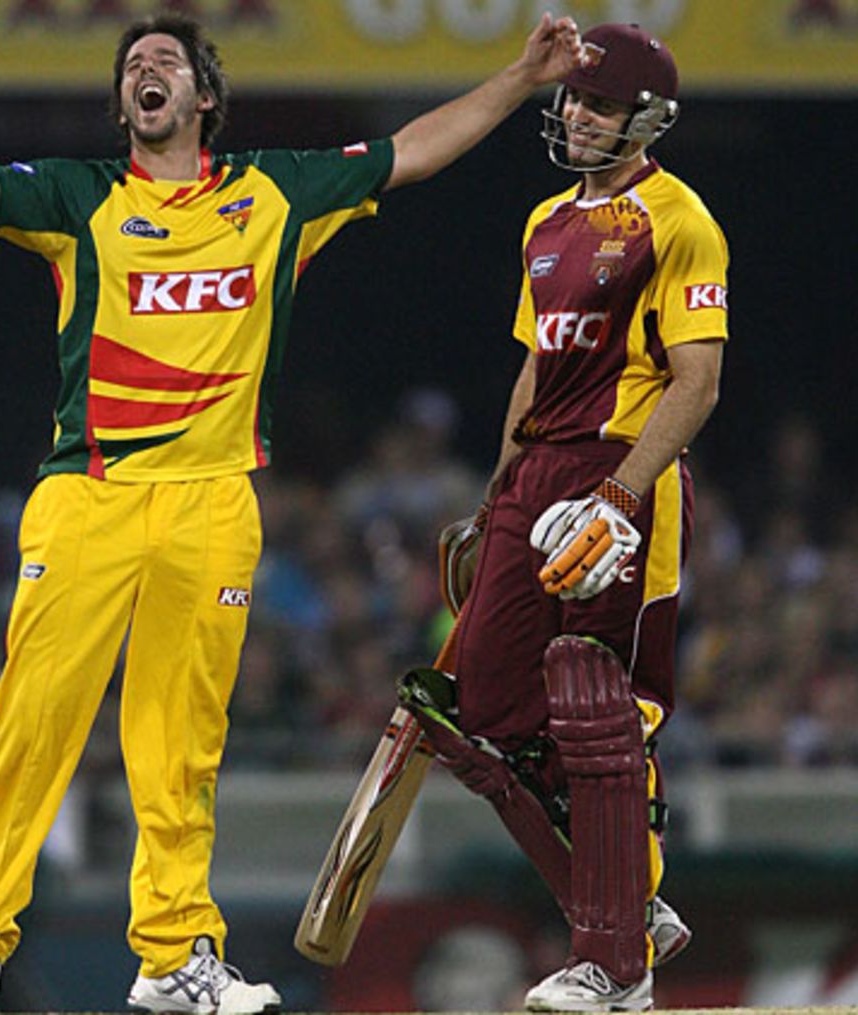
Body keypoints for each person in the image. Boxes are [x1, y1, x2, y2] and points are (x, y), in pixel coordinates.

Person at [0, 12, 583, 1012]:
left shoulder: (272, 192)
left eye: (166, 61)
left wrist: (519, 80)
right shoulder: (79, 197)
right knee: (35, 715)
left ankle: (174, 956)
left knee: (180, 739)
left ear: (204, 97)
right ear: (124, 103)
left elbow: (412, 153)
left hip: (214, 499)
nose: (146, 71)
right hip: (91, 492)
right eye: (132, 66)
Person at [404, 22, 728, 1012]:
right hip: (538, 472)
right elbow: (538, 367)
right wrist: (496, 492)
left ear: (648, 119)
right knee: (481, 717)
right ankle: (629, 898)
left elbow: (699, 380)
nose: (578, 115)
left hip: (619, 473)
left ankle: (615, 961)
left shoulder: (680, 221)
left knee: (601, 709)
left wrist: (624, 495)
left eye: (600, 104)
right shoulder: (546, 222)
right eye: (575, 100)